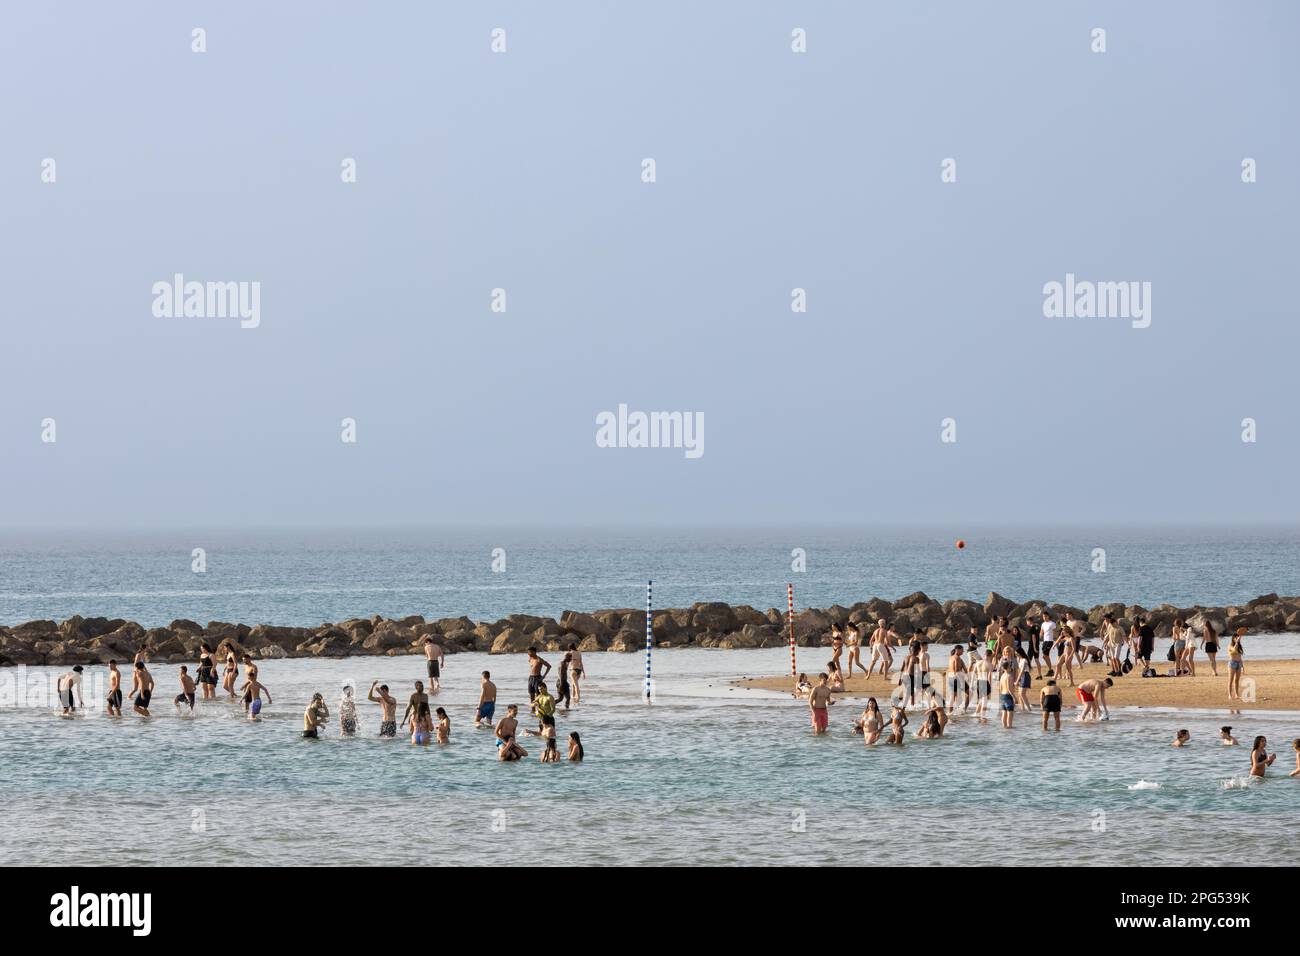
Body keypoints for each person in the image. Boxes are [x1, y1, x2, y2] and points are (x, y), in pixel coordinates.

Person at [1227, 630, 1247, 701]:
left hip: (1238, 663)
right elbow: (1234, 650)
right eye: (1235, 637)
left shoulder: (1239, 646)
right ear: (1233, 638)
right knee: (1231, 680)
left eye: (1237, 637)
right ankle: (1229, 694)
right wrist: (1237, 642)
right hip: (1232, 663)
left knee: (1237, 680)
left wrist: (1243, 667)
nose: (1237, 638)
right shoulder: (1230, 646)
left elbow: (1240, 657)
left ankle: (1237, 694)